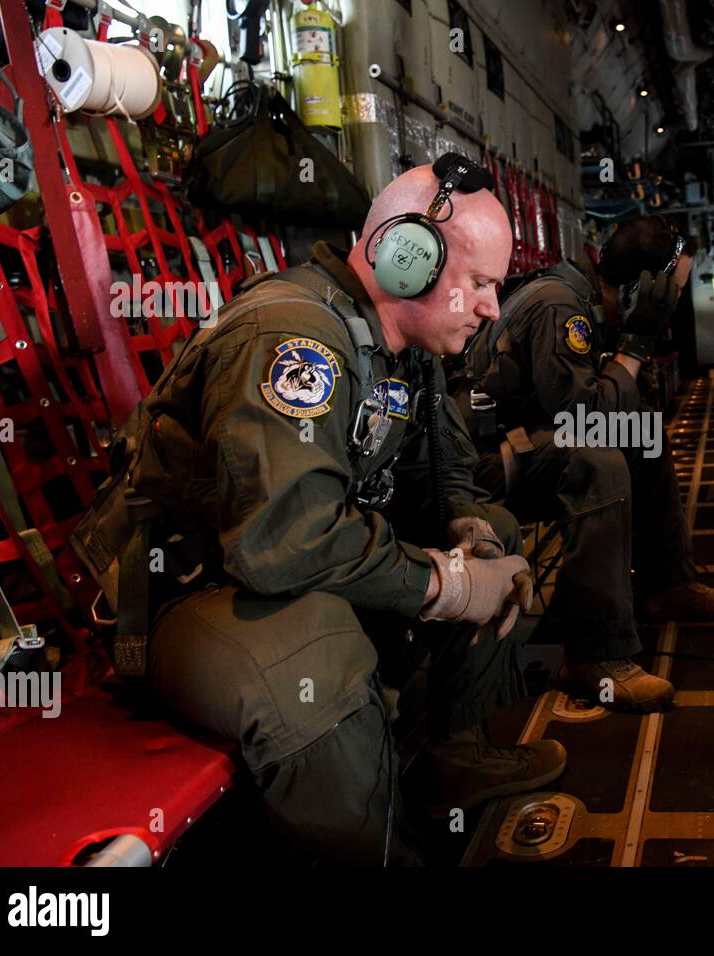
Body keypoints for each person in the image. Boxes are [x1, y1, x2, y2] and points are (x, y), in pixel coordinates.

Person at [72, 155, 565, 865]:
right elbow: (285, 542)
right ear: (407, 262)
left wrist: (470, 533)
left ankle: (450, 758)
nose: (492, 307)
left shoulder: (405, 349)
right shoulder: (293, 340)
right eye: (481, 284)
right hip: (186, 593)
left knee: (502, 540)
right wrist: (450, 588)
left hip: (272, 562)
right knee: (318, 652)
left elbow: (445, 468)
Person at [460, 215, 714, 713]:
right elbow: (586, 420)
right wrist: (635, 345)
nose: (674, 304)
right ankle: (595, 655)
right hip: (482, 466)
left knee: (644, 437)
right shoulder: (560, 307)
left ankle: (667, 585)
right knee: (598, 460)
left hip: (526, 444)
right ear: (640, 292)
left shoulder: (585, 300)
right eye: (669, 293)